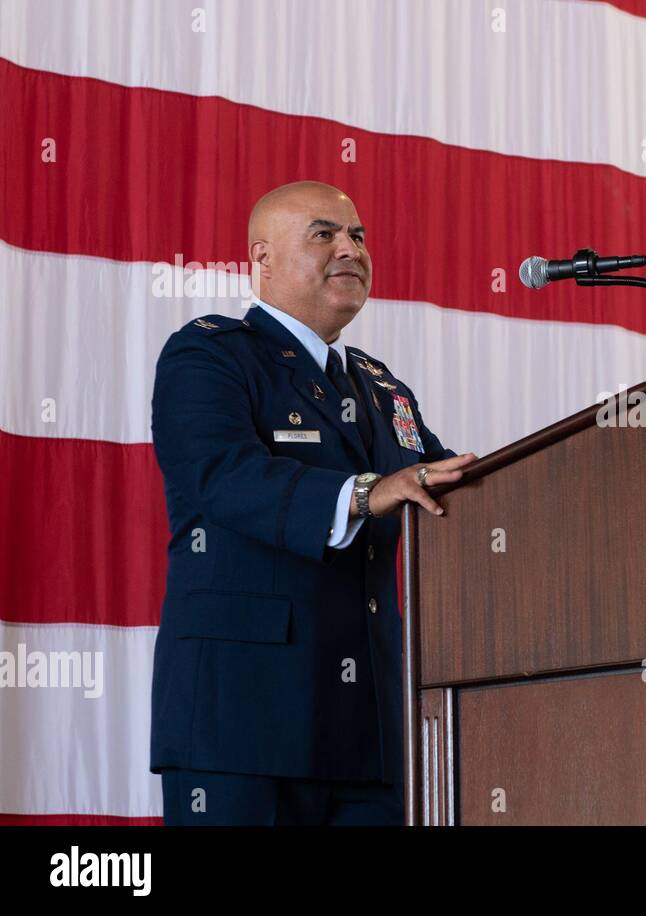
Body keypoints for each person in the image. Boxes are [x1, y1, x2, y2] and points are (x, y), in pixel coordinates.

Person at [149, 180, 475, 824]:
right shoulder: (208, 356)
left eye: (357, 235)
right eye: (323, 234)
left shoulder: (383, 388)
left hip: (369, 731)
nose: (349, 248)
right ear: (261, 259)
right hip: (243, 721)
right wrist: (365, 492)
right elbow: (225, 476)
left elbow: (448, 484)